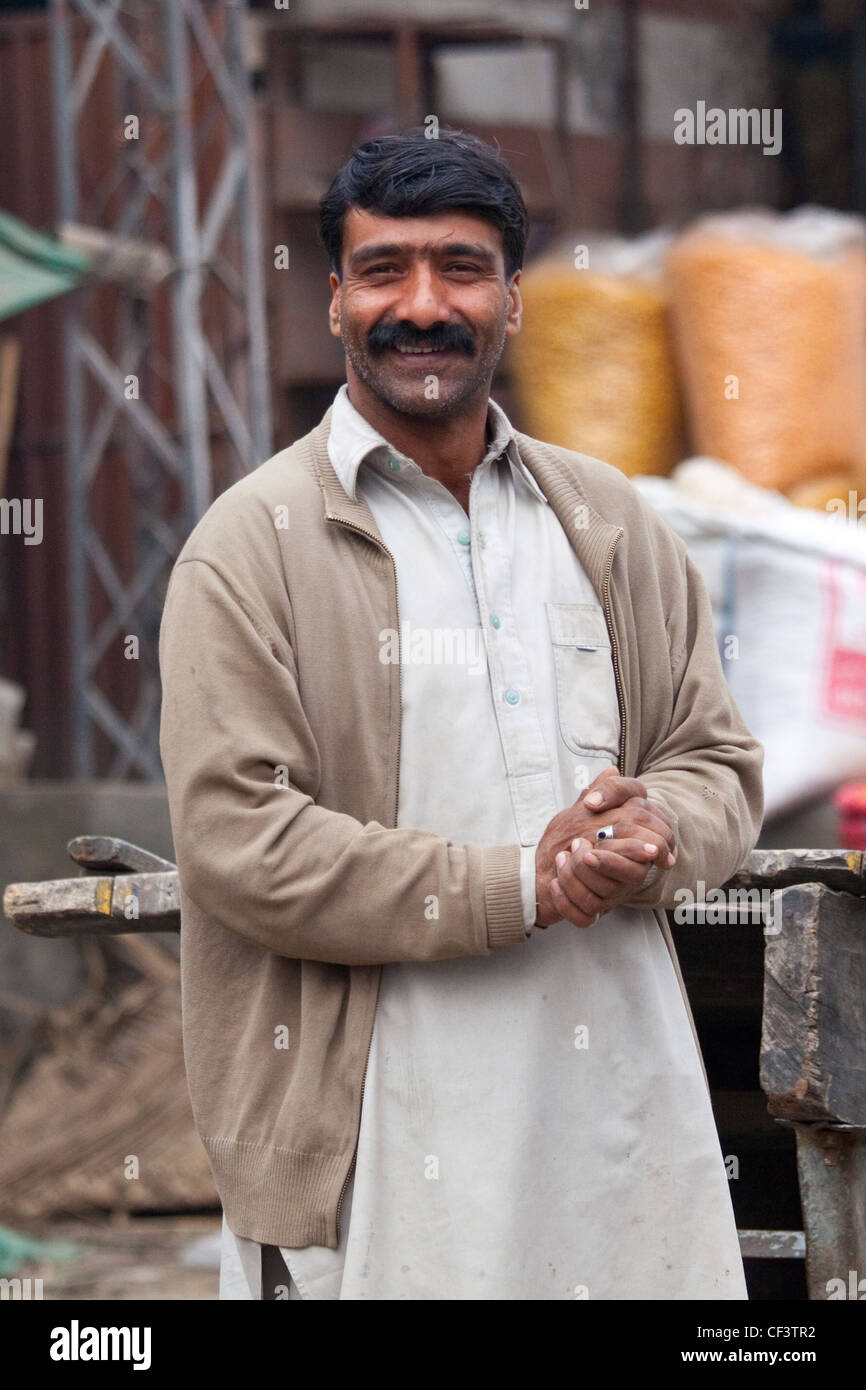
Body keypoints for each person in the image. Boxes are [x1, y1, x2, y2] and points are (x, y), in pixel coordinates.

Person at [158, 127, 764, 1301]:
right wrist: (518, 885)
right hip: (379, 1120)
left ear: (514, 299)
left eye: (460, 267)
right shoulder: (251, 545)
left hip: (615, 1109)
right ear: (334, 299)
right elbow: (240, 840)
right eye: (383, 269)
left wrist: (654, 832)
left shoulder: (607, 520)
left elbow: (714, 759)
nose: (421, 304)